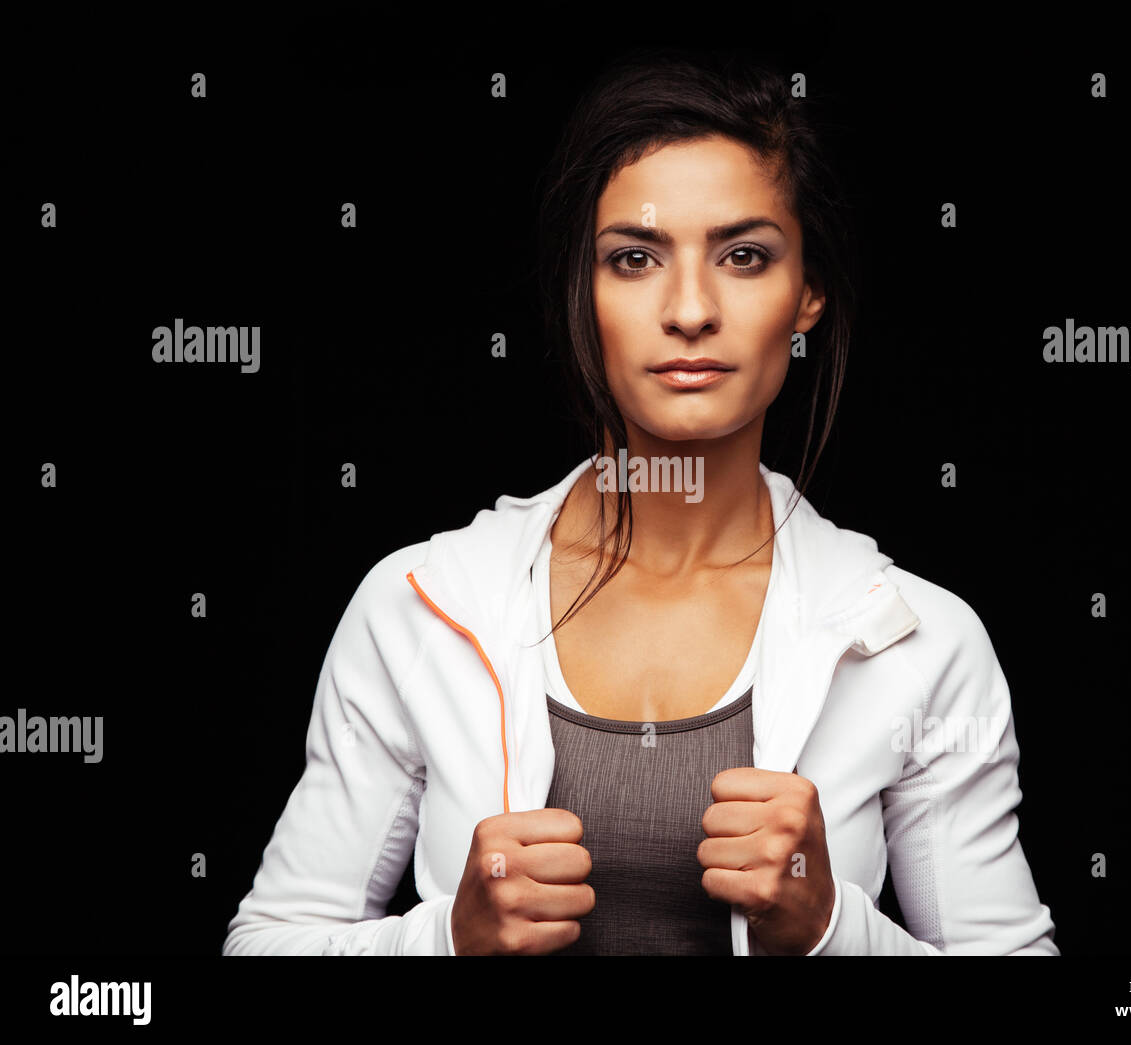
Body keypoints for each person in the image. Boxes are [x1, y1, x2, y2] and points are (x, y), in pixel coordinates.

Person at [222, 48, 1058, 956]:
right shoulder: (420, 601)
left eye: (744, 255)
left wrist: (833, 928)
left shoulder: (922, 641)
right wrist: (445, 943)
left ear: (807, 292)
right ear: (582, 292)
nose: (691, 309)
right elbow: (267, 944)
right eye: (634, 258)